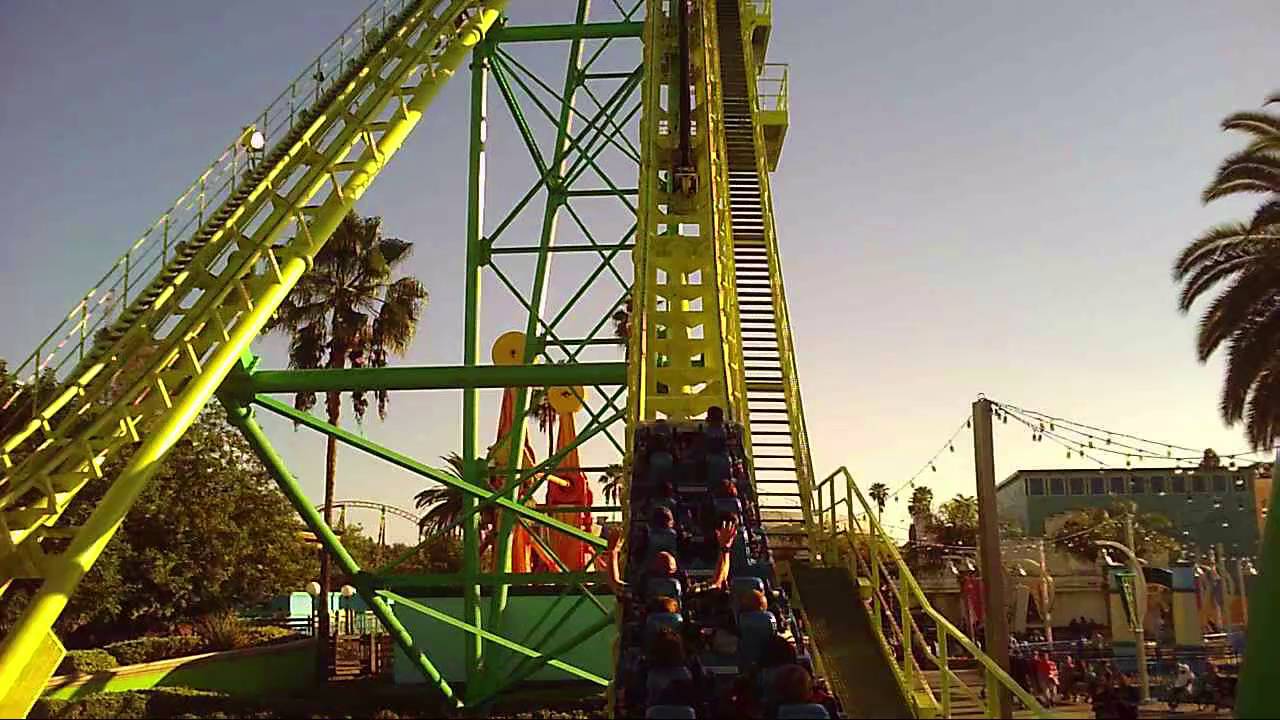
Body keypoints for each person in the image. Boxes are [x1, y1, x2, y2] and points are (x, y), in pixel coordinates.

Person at [597, 517, 739, 601]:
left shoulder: (642, 591)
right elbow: (717, 582)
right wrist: (725, 549)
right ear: (676, 570)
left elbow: (615, 584)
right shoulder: (685, 591)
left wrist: (613, 552)